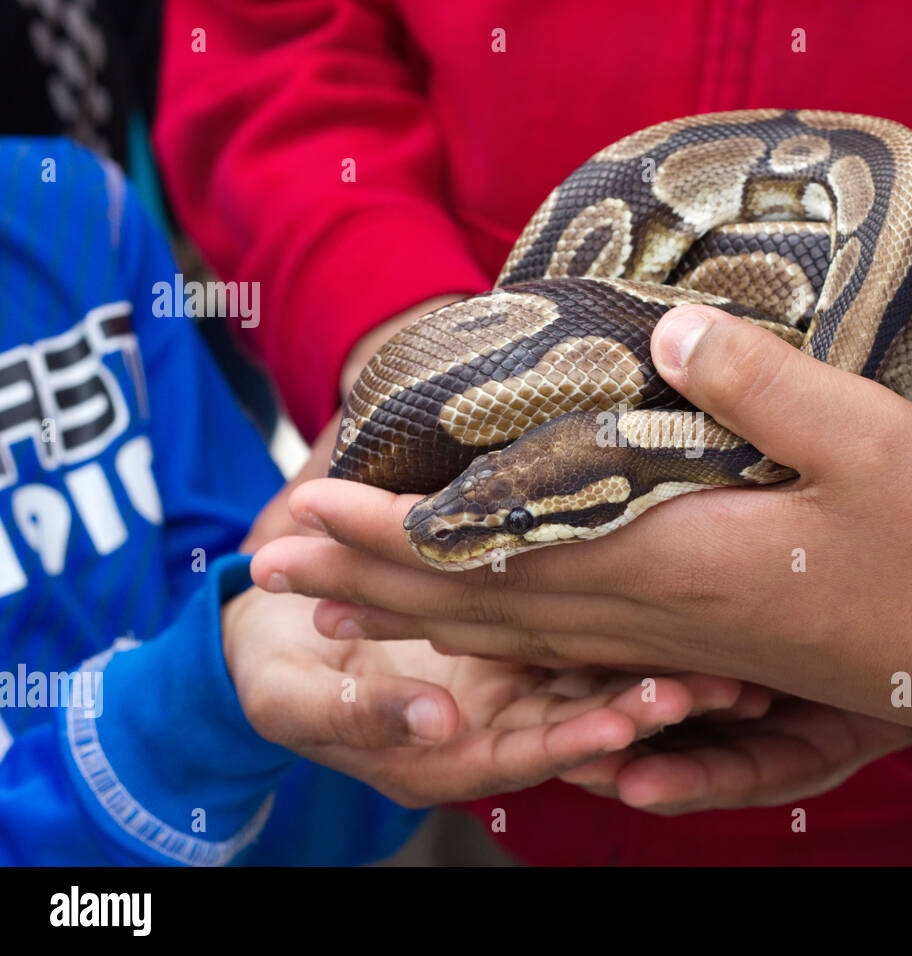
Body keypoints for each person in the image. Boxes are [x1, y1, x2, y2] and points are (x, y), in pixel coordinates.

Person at [154, 0, 912, 866]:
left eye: (504, 506)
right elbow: (273, 52)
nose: (475, 519)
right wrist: (412, 352)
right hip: (518, 765)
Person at [0, 137, 745, 864]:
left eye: (515, 521)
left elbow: (230, 558)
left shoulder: (73, 205)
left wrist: (259, 684)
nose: (436, 526)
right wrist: (209, 703)